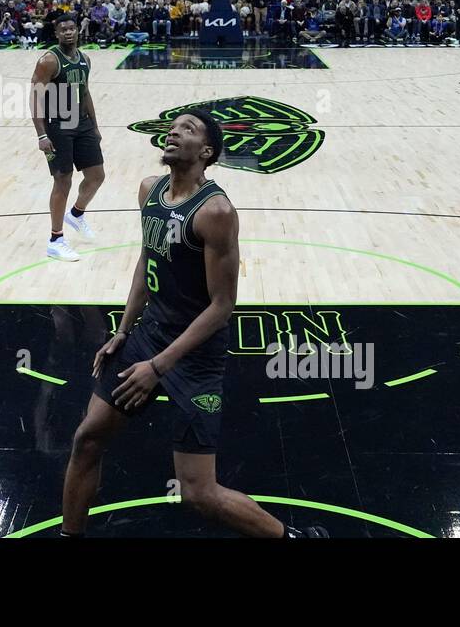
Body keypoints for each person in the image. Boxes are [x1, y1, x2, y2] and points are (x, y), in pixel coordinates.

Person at [60, 110, 326, 539]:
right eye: (173, 126)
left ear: (206, 152)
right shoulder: (149, 189)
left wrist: (158, 367)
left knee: (198, 493)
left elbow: (222, 307)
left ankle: (293, 537)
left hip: (195, 357)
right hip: (147, 337)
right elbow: (148, 259)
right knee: (87, 439)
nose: (173, 131)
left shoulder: (216, 211)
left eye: (188, 129)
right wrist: (124, 330)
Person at [32, 12, 104, 262]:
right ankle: (56, 240)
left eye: (72, 28)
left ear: (78, 30)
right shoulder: (49, 60)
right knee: (63, 181)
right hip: (57, 126)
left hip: (81, 123)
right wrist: (41, 134)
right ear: (56, 33)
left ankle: (76, 213)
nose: (69, 32)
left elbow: (85, 94)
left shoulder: (85, 59)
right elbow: (36, 98)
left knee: (96, 176)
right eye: (63, 29)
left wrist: (94, 126)